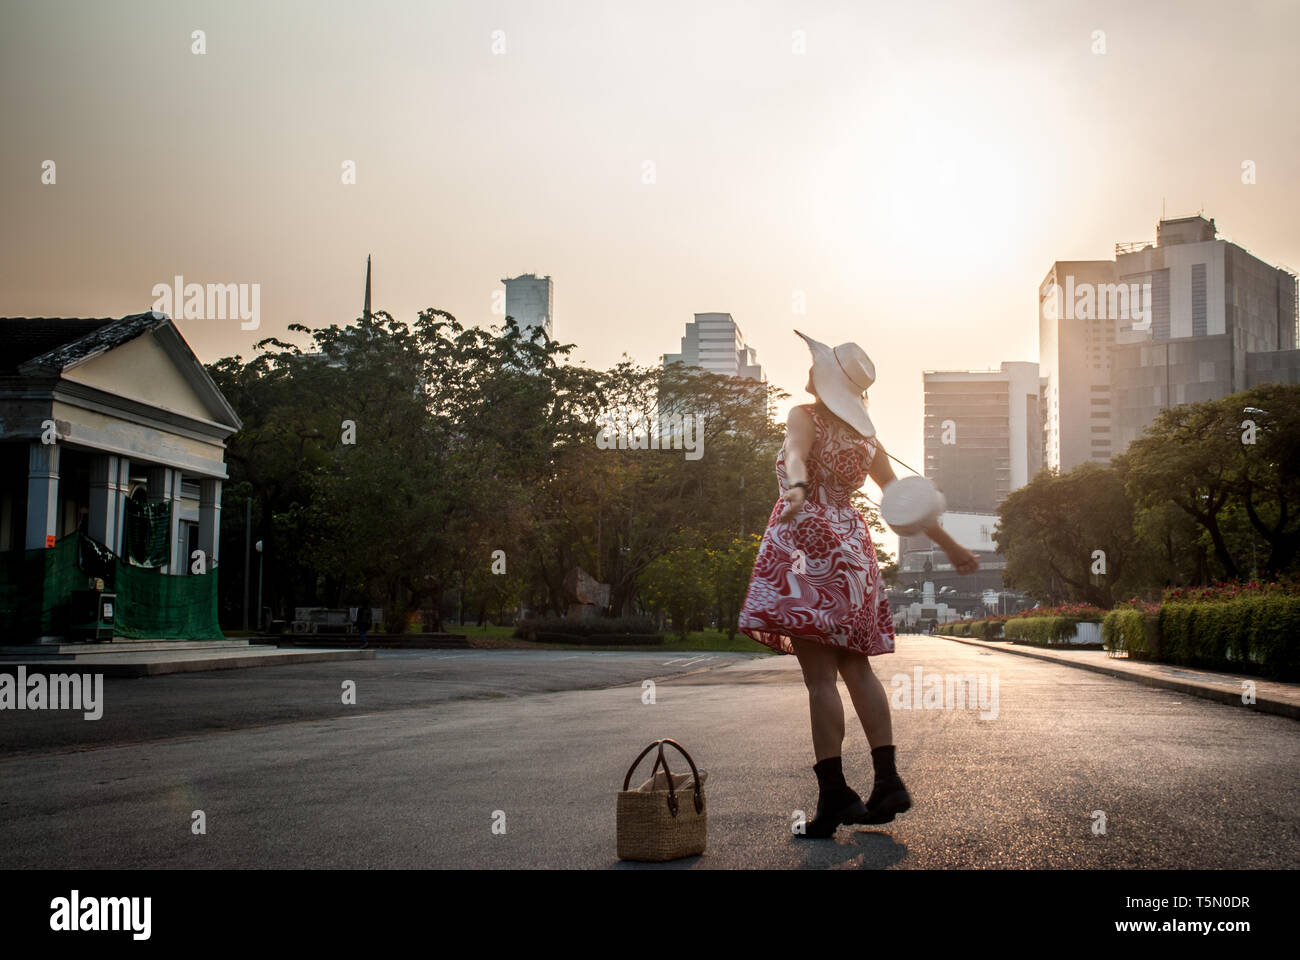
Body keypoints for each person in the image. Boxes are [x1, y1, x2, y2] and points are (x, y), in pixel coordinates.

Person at [739, 330, 979, 839]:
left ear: (825, 382)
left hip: (806, 543)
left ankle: (834, 796)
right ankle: (887, 781)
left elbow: (798, 455)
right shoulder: (866, 438)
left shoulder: (806, 415)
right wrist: (951, 543)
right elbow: (902, 499)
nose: (809, 373)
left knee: (819, 680)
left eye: (816, 369)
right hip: (853, 550)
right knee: (857, 669)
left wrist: (800, 489)